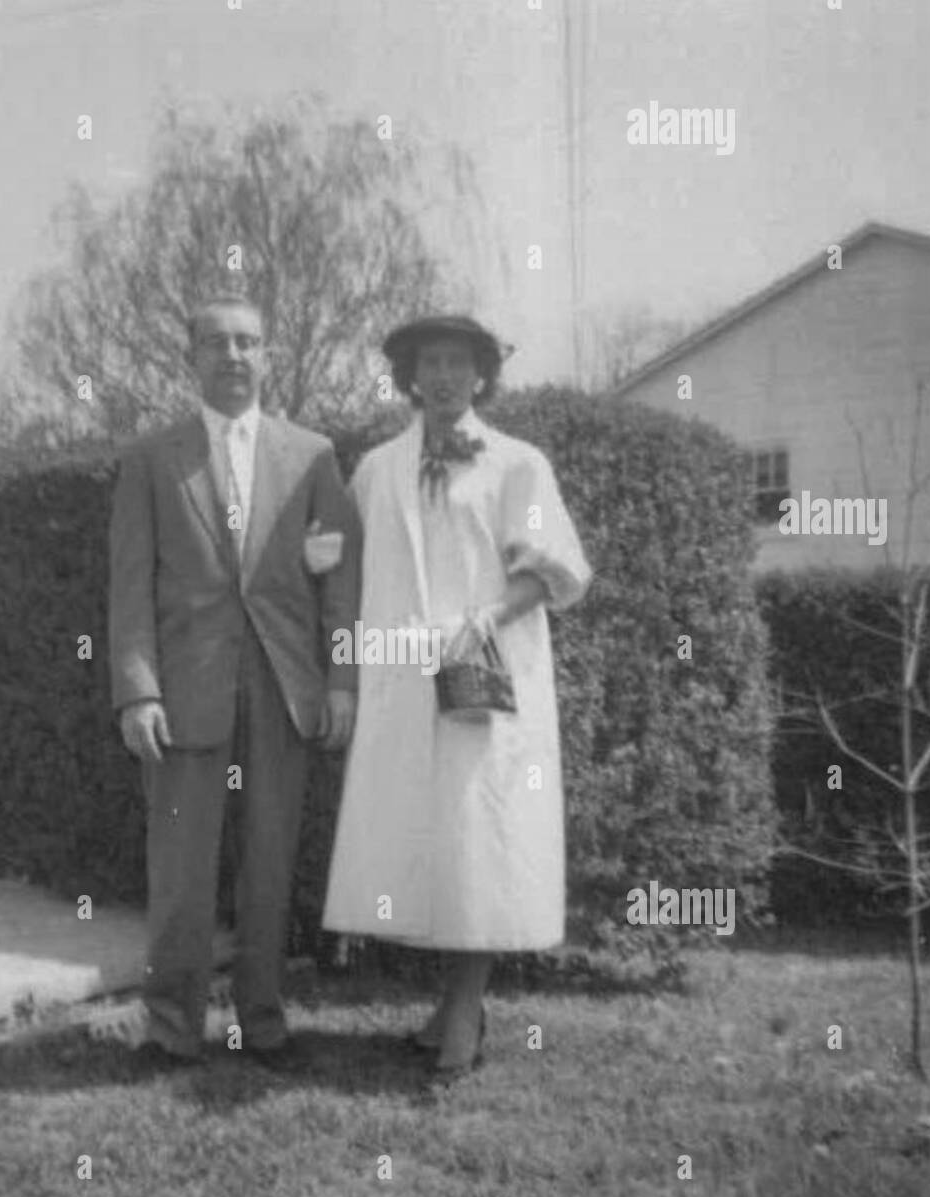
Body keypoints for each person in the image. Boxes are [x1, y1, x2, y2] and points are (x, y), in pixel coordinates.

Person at [322, 315, 590, 1079]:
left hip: (484, 677)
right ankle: (449, 1005)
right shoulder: (375, 468)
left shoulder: (517, 464)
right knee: (426, 846)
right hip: (402, 683)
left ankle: (465, 1013)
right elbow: (345, 564)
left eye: (457, 363)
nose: (441, 376)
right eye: (428, 362)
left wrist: (483, 621)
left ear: (481, 376)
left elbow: (554, 573)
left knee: (479, 844)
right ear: (408, 375)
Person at [108, 294, 361, 1065]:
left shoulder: (312, 455)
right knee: (181, 866)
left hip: (285, 687)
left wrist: (341, 679)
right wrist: (137, 689)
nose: (233, 355)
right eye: (216, 342)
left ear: (268, 355)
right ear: (191, 357)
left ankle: (263, 1020)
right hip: (186, 689)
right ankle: (171, 1026)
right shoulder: (153, 458)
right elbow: (129, 586)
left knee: (270, 857)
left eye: (247, 342)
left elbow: (341, 579)